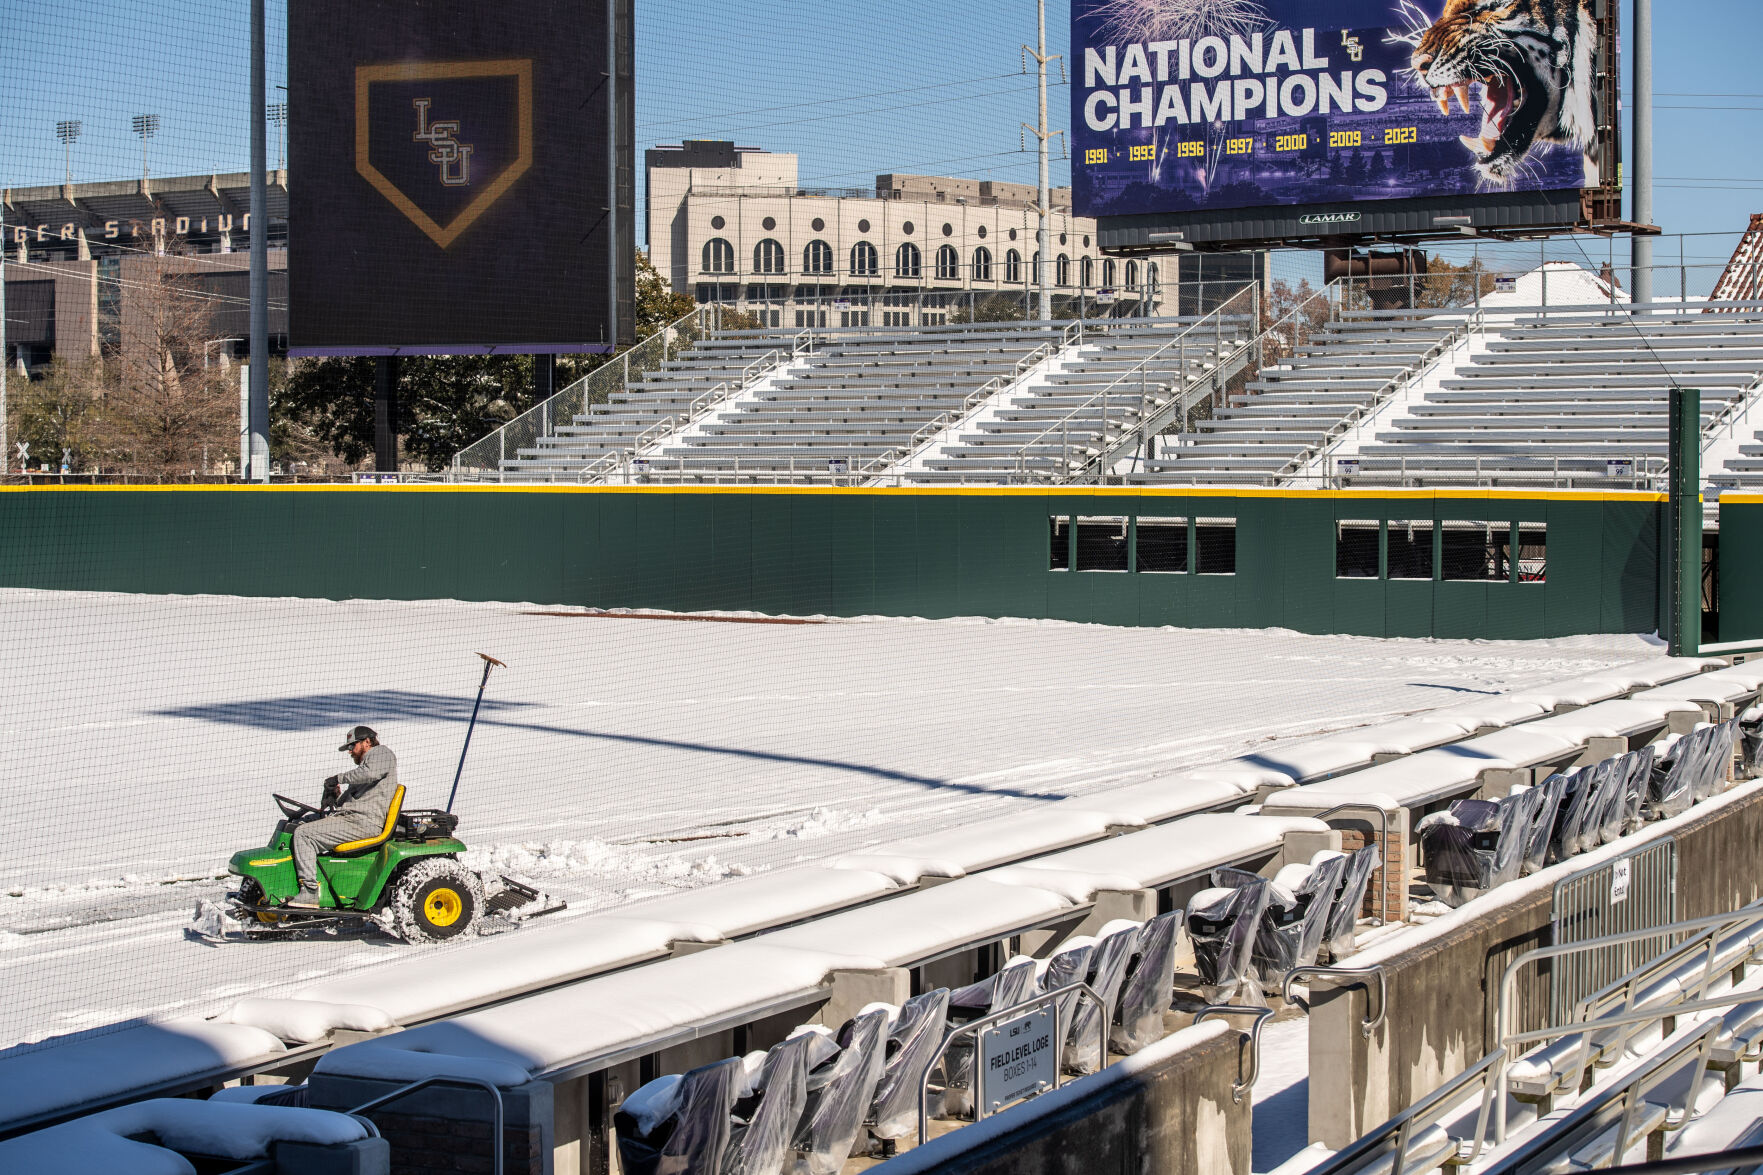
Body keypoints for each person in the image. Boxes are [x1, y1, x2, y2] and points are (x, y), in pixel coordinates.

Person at [287, 725, 399, 908]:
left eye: (352, 746)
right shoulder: (365, 769)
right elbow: (353, 797)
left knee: (304, 835)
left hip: (363, 822)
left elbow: (370, 773)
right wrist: (335, 797)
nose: (350, 752)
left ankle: (309, 892)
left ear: (367, 742)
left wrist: (338, 778)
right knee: (300, 824)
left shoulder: (381, 753)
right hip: (352, 819)